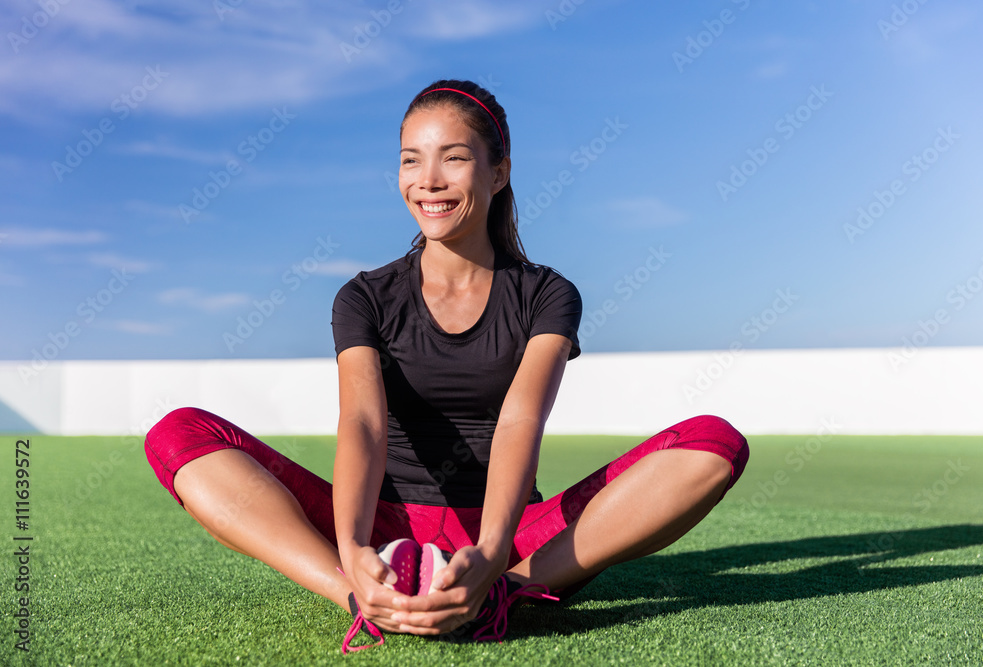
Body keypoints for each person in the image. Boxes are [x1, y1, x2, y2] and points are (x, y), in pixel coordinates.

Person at [144, 79, 749, 653]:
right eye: (410, 160)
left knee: (713, 444)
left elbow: (520, 422)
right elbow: (362, 424)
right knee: (180, 433)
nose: (427, 181)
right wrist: (353, 549)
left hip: (511, 538)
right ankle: (359, 597)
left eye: (453, 158)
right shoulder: (364, 297)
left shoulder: (547, 295)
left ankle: (503, 596)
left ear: (499, 171)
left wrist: (489, 557)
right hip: (383, 528)